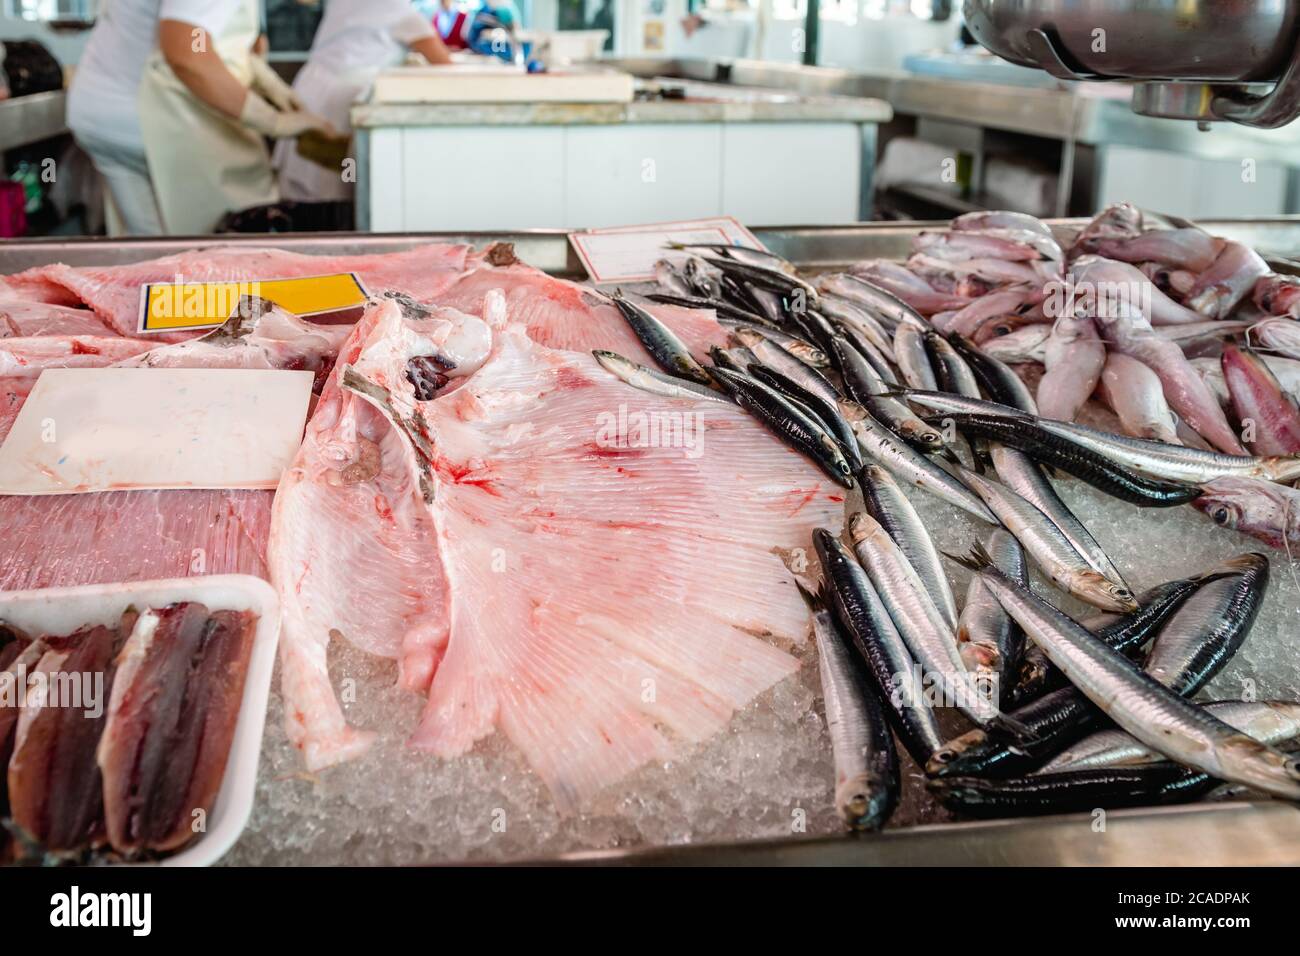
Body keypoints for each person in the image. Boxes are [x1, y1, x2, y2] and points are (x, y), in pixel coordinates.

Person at [138, 0, 335, 234]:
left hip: (155, 107)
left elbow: (207, 38)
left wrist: (262, 77)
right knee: (214, 238)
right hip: (179, 113)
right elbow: (188, 54)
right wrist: (271, 121)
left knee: (147, 244)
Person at [276, 1, 452, 203]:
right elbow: (446, 66)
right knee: (334, 188)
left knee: (308, 184)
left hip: (312, 86)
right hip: (339, 102)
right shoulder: (402, 12)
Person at [65, 0, 165, 236]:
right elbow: (191, 57)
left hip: (96, 113)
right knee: (183, 233)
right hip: (136, 122)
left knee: (144, 232)